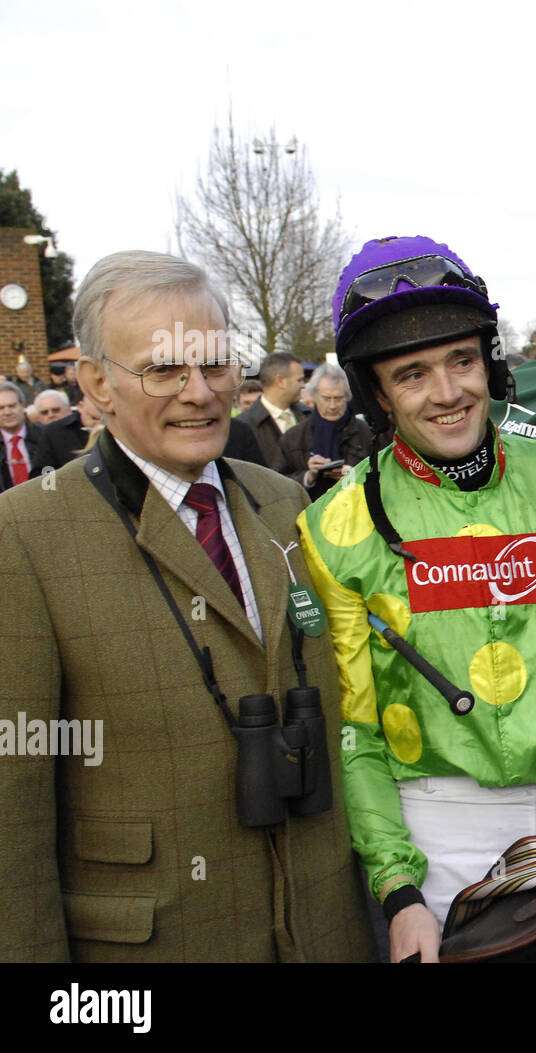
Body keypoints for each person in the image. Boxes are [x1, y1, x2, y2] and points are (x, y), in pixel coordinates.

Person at [297, 235, 536, 963]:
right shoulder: (335, 528)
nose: (447, 393)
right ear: (377, 394)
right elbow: (358, 734)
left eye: (462, 360)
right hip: (439, 844)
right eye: (412, 374)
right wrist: (398, 890)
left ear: (489, 362)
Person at [0, 250, 375, 962]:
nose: (200, 393)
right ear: (97, 383)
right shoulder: (22, 537)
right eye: (165, 370)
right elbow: (8, 828)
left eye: (214, 363)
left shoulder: (284, 500)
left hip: (328, 932)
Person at [278, 361, 372, 500]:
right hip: (310, 512)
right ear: (314, 396)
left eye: (338, 399)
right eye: (326, 399)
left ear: (347, 397)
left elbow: (384, 475)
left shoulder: (366, 432)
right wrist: (309, 476)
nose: (332, 406)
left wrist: (356, 475)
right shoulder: (294, 436)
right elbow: (278, 482)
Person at [237, 351, 306, 470]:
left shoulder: (309, 416)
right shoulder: (243, 426)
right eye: (299, 380)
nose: (303, 385)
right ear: (280, 381)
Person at [0, 381, 53, 490]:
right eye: (1, 408)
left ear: (23, 405)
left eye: (12, 406)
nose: (7, 412)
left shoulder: (46, 436)